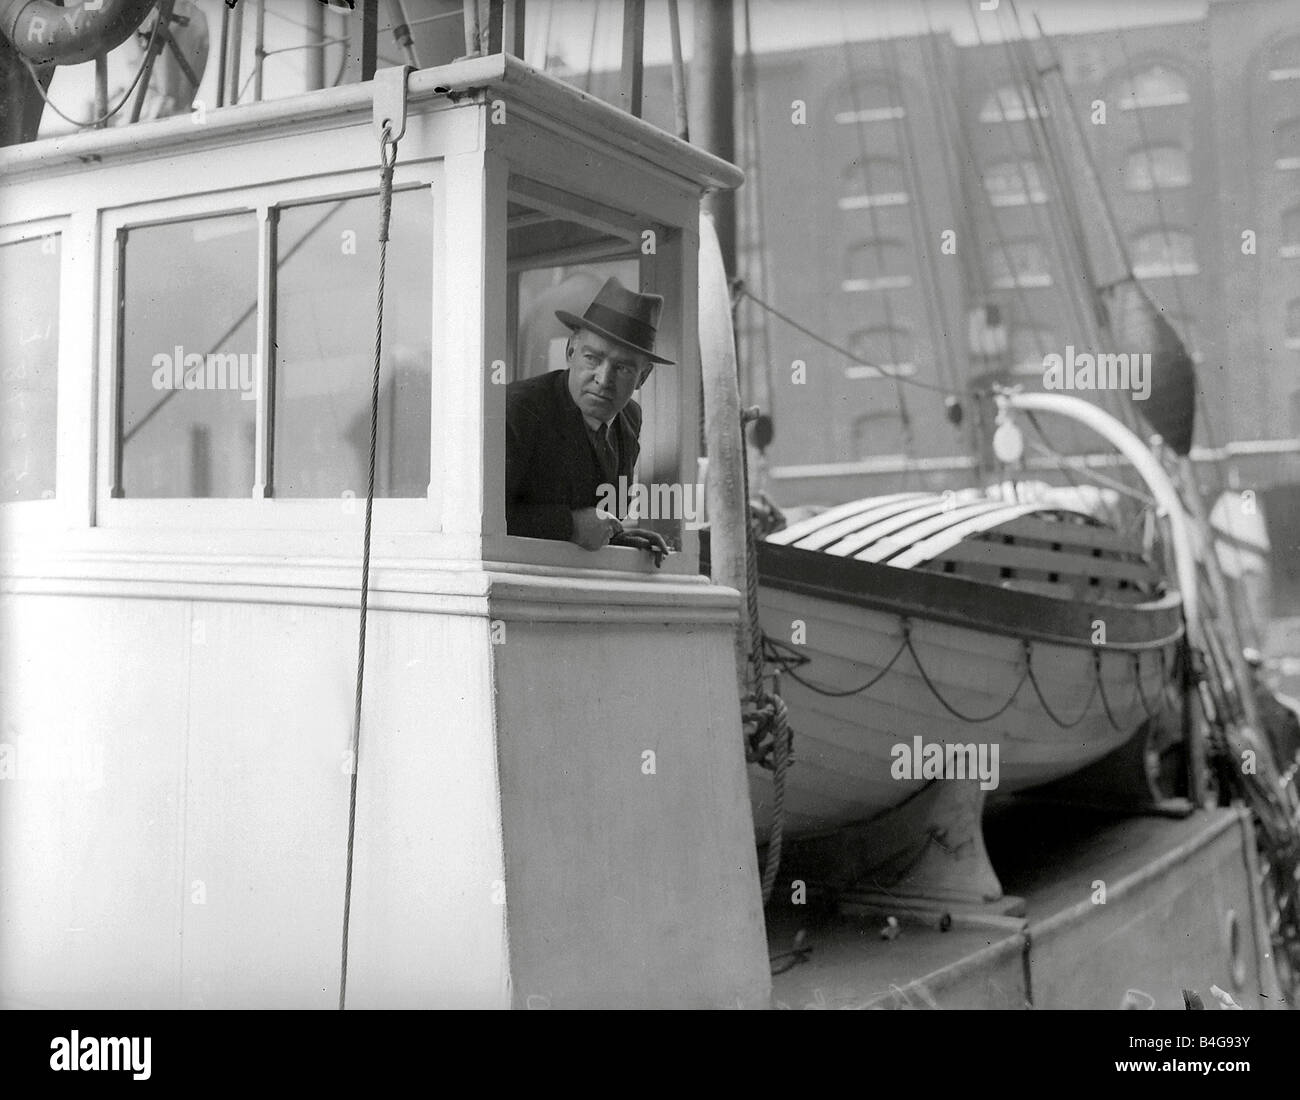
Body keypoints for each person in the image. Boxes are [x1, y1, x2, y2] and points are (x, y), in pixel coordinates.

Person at [505, 276, 671, 565]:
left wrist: (617, 538)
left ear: (642, 377)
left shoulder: (630, 418)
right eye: (593, 358)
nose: (603, 380)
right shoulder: (518, 407)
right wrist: (570, 525)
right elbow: (484, 517)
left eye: (621, 368)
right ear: (571, 351)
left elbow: (603, 512)